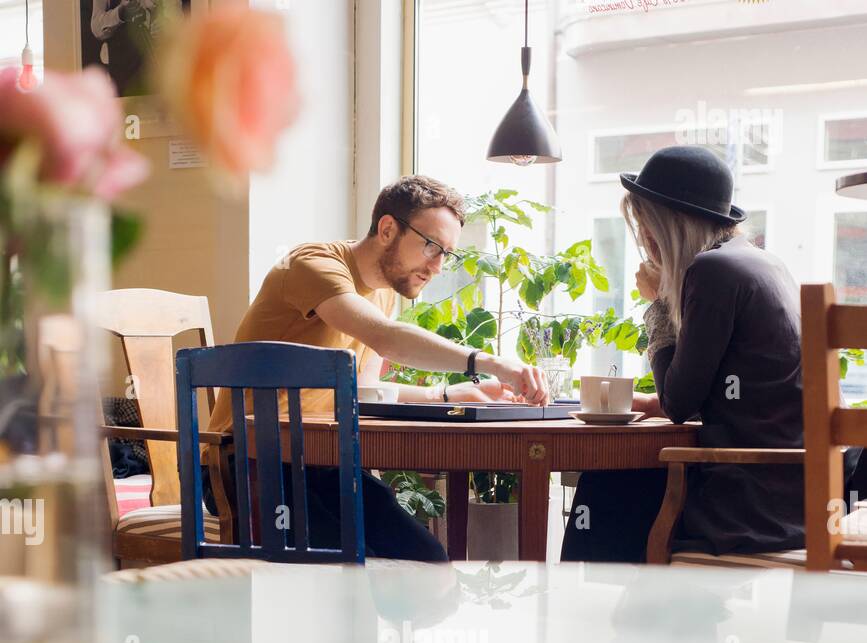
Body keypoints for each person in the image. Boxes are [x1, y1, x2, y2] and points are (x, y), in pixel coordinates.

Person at [206, 176, 549, 562]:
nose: (437, 267)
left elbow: (364, 389)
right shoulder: (312, 264)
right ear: (387, 229)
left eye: (445, 254)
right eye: (431, 246)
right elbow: (386, 337)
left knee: (426, 560)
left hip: (318, 459)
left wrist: (447, 394)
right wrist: (487, 361)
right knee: (351, 572)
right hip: (247, 459)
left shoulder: (384, 293)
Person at [561, 144, 857, 562]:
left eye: (644, 225)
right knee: (619, 487)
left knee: (608, 481)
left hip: (755, 502)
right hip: (807, 492)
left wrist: (660, 303)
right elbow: (728, 391)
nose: (644, 240)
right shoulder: (761, 262)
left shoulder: (712, 270)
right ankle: (655, 620)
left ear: (663, 226)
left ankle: (589, 610)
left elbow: (680, 403)